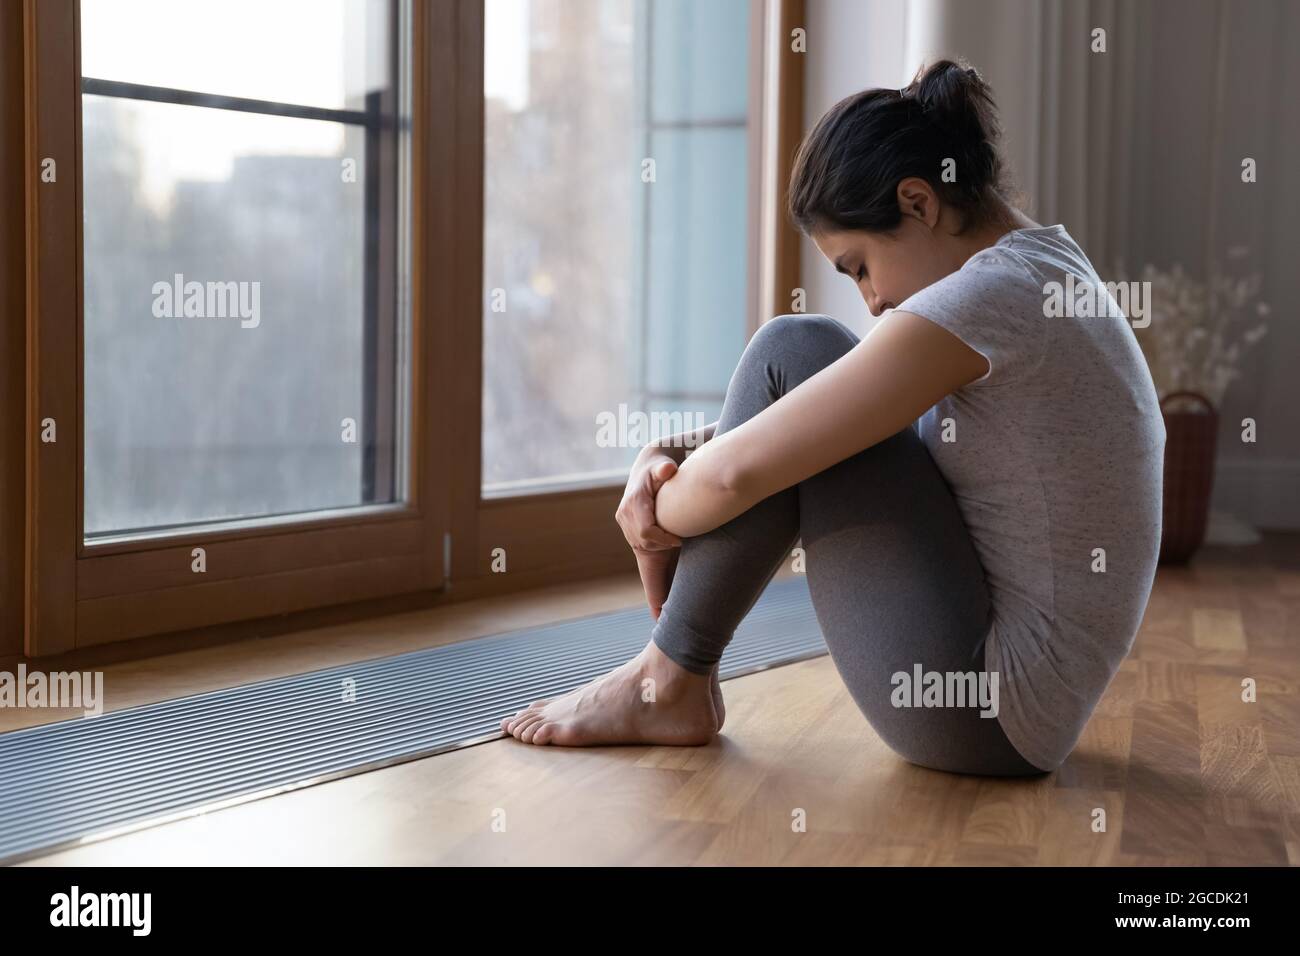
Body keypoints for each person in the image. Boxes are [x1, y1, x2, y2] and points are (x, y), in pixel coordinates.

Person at [501, 59, 1164, 777]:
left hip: (983, 711)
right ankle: (673, 675)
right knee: (800, 360)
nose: (871, 301)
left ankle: (667, 679)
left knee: (796, 348)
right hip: (1009, 703)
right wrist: (663, 454)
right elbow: (813, 428)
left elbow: (734, 478)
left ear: (918, 203)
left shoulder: (993, 296)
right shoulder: (1042, 267)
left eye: (859, 266)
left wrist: (651, 518)